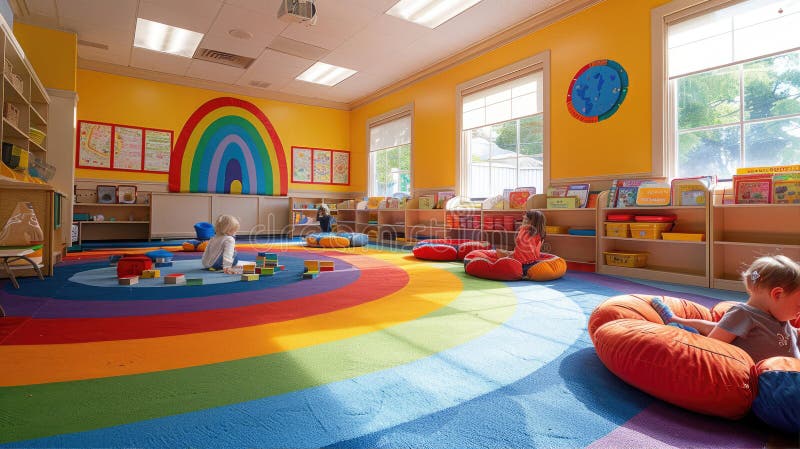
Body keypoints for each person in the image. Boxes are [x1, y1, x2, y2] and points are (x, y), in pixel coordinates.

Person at [651, 255, 800, 362]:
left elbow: (793, 337)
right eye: (798, 305)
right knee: (717, 329)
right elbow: (711, 345)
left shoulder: (780, 318)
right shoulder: (744, 315)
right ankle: (675, 322)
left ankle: (677, 320)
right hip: (772, 380)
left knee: (718, 327)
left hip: (789, 371)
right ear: (777, 294)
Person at [499, 209, 547, 274]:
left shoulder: (526, 232)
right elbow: (525, 251)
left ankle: (523, 273)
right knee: (502, 254)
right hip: (532, 262)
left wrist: (510, 256)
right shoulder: (539, 233)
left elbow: (523, 253)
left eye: (526, 219)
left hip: (523, 265)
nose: (523, 219)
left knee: (501, 261)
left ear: (532, 222)